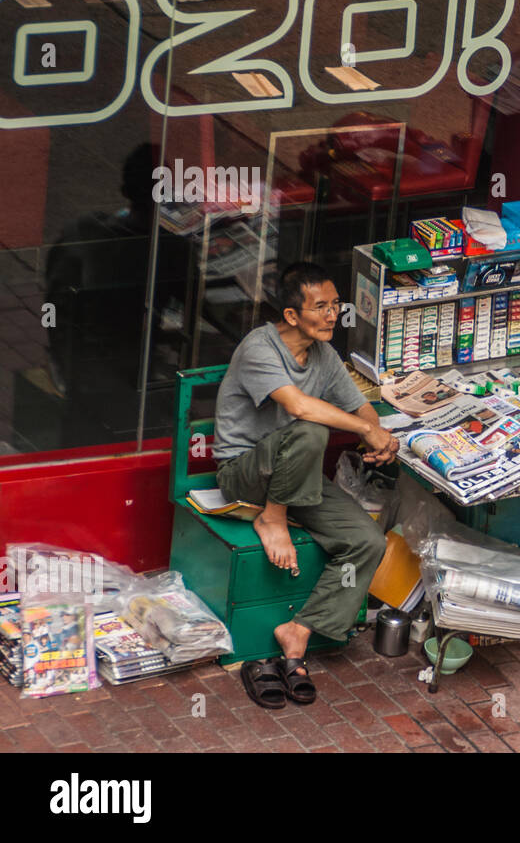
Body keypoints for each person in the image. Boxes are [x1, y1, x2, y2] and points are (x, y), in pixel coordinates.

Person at [214, 262, 397, 709]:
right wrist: (363, 429)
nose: (333, 314)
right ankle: (272, 520)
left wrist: (375, 433)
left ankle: (300, 630)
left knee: (367, 541)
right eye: (321, 307)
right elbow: (300, 407)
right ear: (292, 315)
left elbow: (359, 405)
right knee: (312, 428)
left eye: (335, 304)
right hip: (244, 475)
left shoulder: (322, 354)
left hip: (296, 477)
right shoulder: (260, 348)